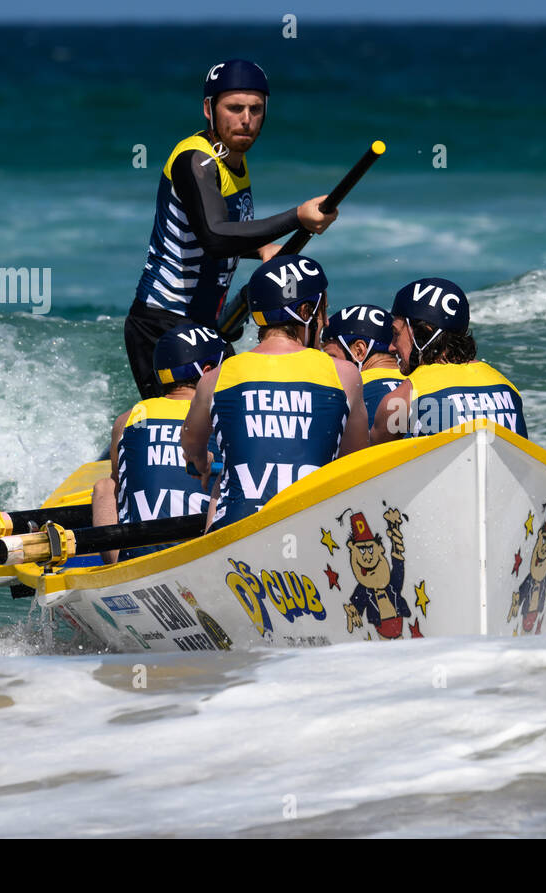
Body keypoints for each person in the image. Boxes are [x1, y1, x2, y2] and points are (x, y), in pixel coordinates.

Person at [125, 59, 339, 400]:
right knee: (189, 430)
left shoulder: (233, 161)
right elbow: (215, 237)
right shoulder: (196, 161)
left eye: (255, 109)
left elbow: (211, 230)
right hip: (163, 325)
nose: (246, 119)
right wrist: (297, 218)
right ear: (209, 109)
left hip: (204, 326)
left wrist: (262, 250)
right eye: (234, 108)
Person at [182, 254, 367, 528]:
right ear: (305, 312)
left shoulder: (215, 379)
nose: (325, 322)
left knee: (224, 481)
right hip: (314, 533)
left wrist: (201, 461)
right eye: (321, 310)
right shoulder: (344, 374)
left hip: (235, 534)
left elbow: (190, 445)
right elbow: (356, 463)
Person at [92, 324, 230, 564]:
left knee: (105, 487)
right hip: (201, 554)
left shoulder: (127, 420)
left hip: (135, 561)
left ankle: (115, 567)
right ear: (207, 371)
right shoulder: (222, 415)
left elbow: (122, 485)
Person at [370, 277, 528, 442]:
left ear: (422, 333)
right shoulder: (507, 386)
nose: (391, 347)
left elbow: (372, 462)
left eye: (396, 334)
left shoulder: (403, 399)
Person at [320, 303, 403, 426]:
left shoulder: (347, 396)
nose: (328, 368)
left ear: (359, 351)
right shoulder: (418, 384)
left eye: (332, 357)